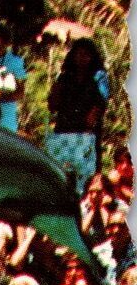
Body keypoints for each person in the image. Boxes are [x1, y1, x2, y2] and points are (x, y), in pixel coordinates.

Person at [46, 39, 111, 193]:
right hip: (64, 131)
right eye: (79, 54)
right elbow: (53, 106)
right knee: (60, 175)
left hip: (86, 134)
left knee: (86, 177)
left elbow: (101, 102)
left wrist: (89, 125)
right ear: (73, 56)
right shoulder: (65, 76)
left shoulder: (99, 76)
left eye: (86, 55)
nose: (82, 58)